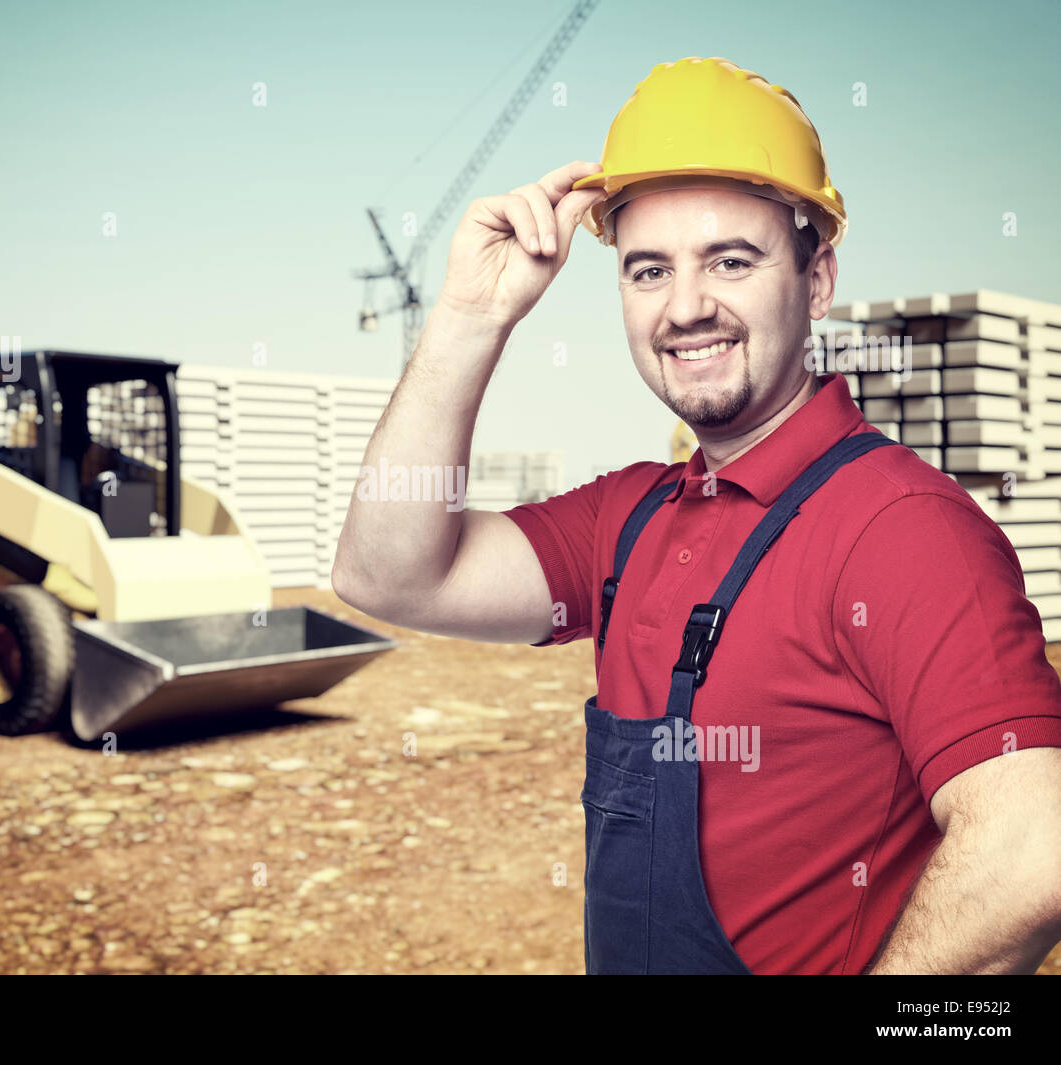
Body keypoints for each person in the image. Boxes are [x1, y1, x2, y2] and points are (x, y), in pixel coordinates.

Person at [331, 57, 1061, 974]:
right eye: (648, 271)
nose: (686, 308)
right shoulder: (627, 518)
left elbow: (1034, 850)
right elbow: (387, 573)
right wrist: (471, 315)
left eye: (730, 260)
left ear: (818, 277)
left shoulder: (900, 529)